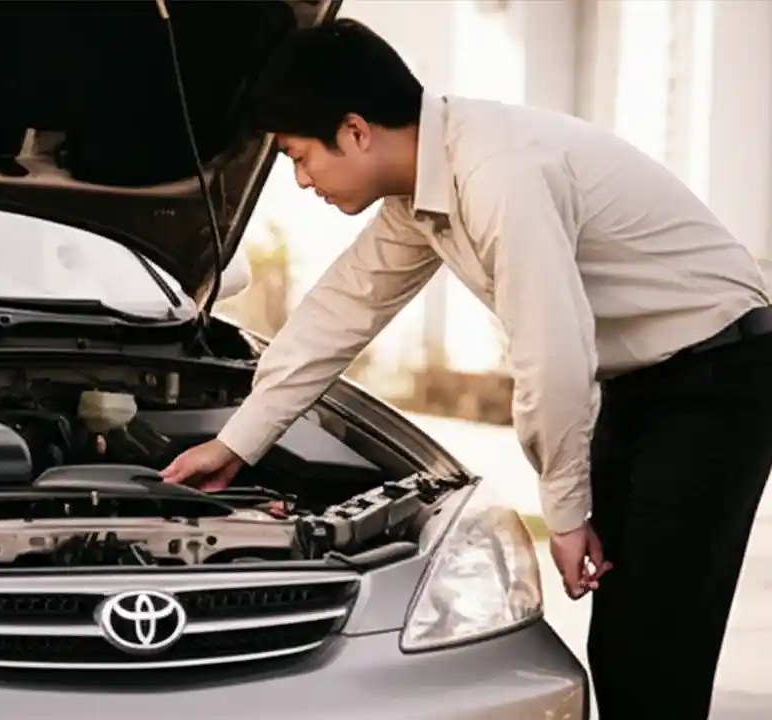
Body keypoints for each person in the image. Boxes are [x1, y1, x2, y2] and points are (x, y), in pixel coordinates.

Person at [160, 17, 772, 719]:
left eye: (301, 157)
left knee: (659, 638)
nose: (302, 181)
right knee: (625, 642)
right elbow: (340, 313)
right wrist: (237, 442)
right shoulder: (424, 189)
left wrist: (564, 513)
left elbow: (551, 350)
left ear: (356, 131)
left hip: (721, 374)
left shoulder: (498, 176)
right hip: (644, 381)